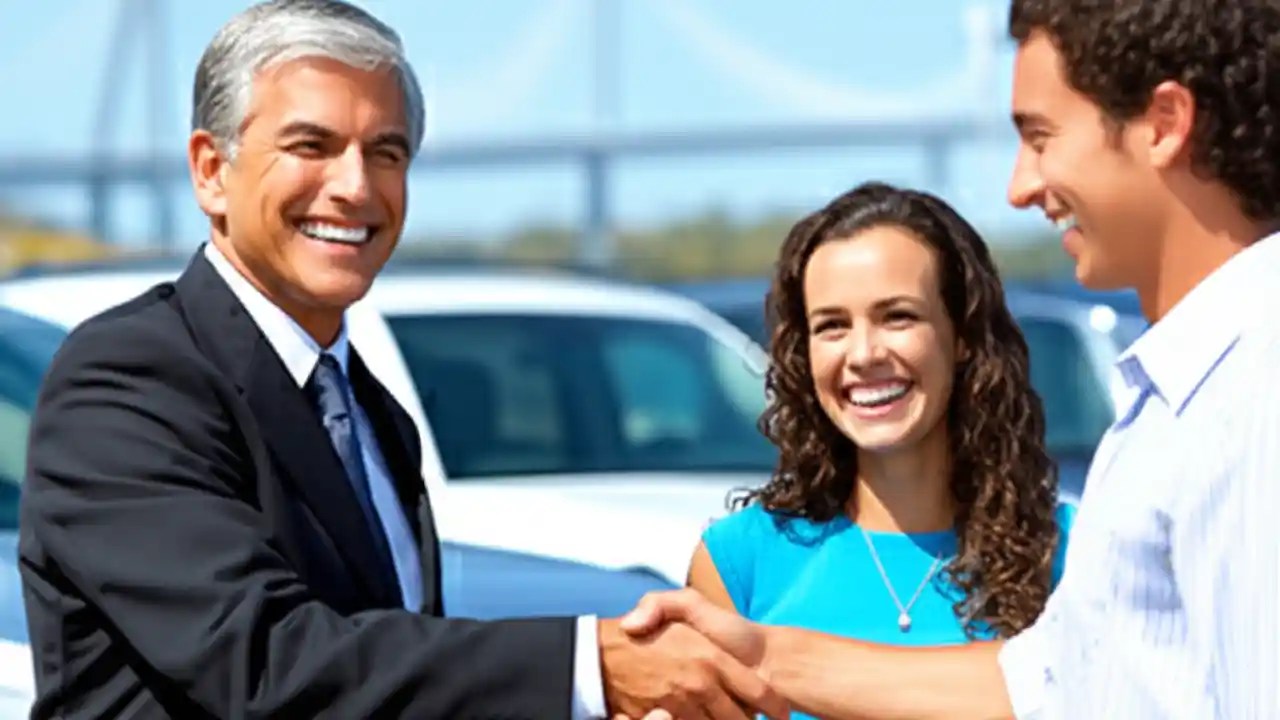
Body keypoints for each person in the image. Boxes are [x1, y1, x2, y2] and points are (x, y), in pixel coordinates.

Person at [17, 2, 788, 719]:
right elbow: (261, 663)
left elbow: (397, 684)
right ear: (211, 171)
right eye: (310, 146)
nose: (355, 187)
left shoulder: (371, 412)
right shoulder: (128, 380)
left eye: (385, 152)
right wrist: (589, 666)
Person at [621, 0, 1280, 718]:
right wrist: (762, 658)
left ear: (1164, 124)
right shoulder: (1180, 400)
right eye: (830, 326)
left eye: (1040, 136)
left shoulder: (1249, 400)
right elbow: (1053, 684)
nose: (1019, 186)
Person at [689, 181, 1073, 660]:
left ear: (963, 336)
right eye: (832, 326)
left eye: (897, 317)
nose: (864, 354)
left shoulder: (1074, 554)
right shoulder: (736, 564)